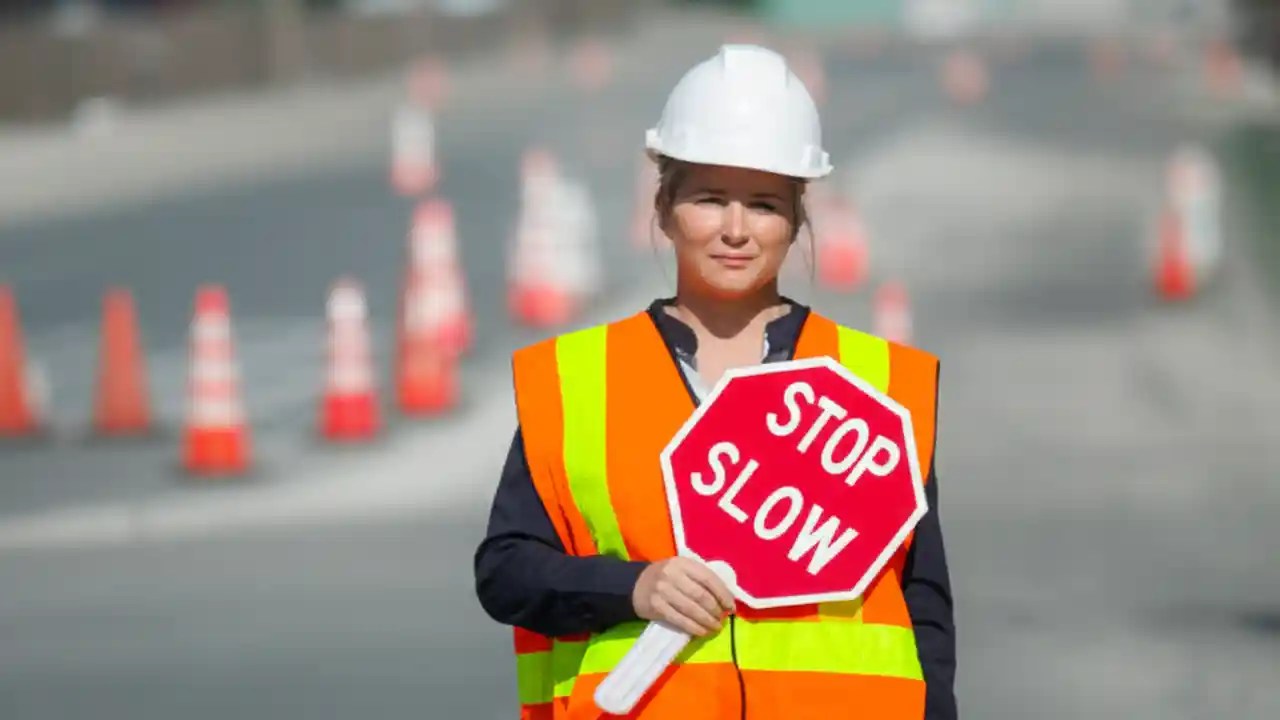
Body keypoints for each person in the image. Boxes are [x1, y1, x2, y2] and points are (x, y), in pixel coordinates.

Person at [474, 44, 956, 720]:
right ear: (665, 206)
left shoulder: (873, 386)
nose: (735, 229)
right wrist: (633, 587)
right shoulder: (578, 382)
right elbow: (506, 571)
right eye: (709, 198)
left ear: (797, 218)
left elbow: (922, 608)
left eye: (763, 204)